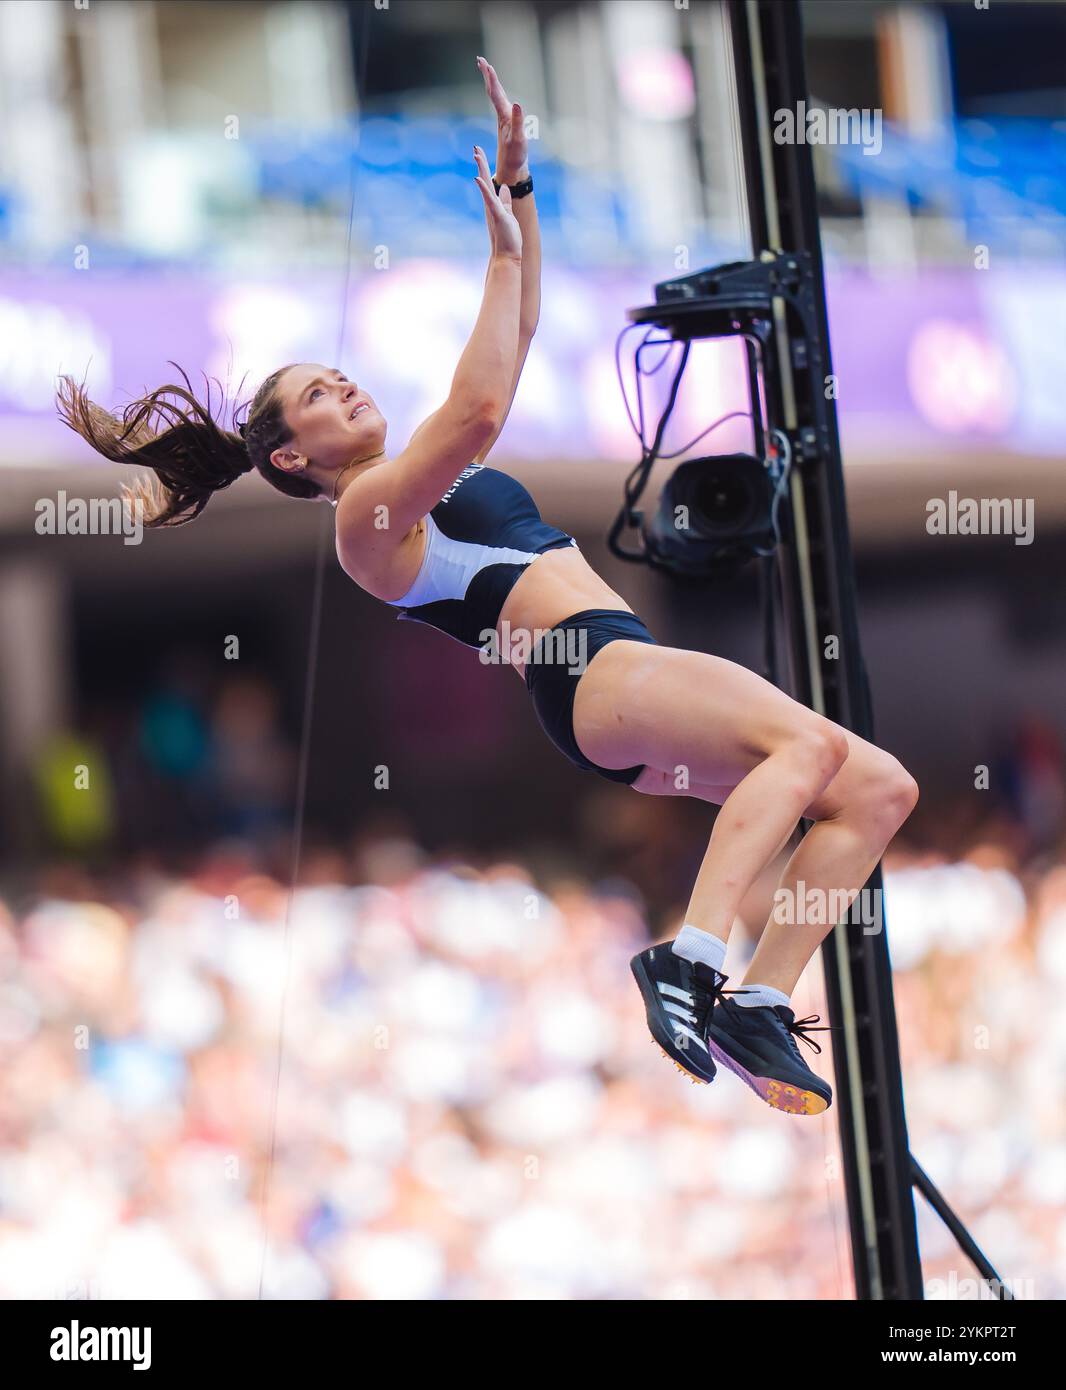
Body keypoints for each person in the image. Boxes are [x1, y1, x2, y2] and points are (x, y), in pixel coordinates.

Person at [55, 56, 918, 1117]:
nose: (347, 383)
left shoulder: (420, 471)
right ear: (292, 458)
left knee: (874, 788)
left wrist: (517, 198)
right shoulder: (366, 524)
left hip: (620, 673)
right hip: (591, 673)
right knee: (809, 748)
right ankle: (688, 962)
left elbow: (510, 351)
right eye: (321, 392)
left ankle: (761, 1001)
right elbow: (477, 410)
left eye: (336, 371)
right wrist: (499, 259)